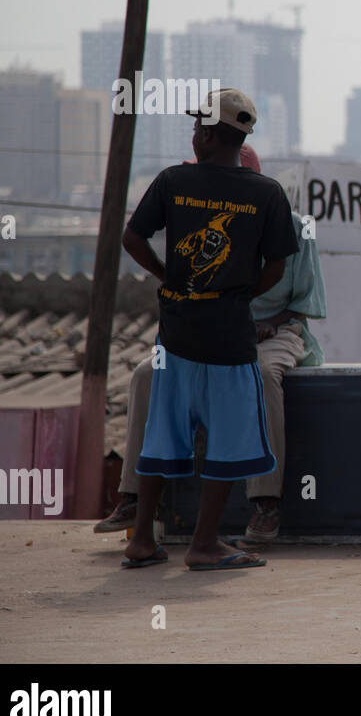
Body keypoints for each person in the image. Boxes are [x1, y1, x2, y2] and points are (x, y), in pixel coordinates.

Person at [95, 144, 327, 544]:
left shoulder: (290, 223)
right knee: (146, 375)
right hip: (205, 332)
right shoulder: (194, 221)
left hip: (270, 332)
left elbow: (302, 305)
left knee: (265, 376)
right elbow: (137, 242)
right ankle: (134, 498)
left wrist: (258, 322)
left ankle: (265, 502)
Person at [118, 88, 299, 570]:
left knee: (161, 435)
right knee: (228, 439)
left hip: (174, 335)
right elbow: (277, 267)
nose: (194, 133)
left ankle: (141, 541)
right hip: (229, 338)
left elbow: (132, 238)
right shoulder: (267, 193)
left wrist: (169, 278)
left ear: (213, 133)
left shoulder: (173, 180)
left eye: (198, 126)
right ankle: (204, 545)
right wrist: (237, 294)